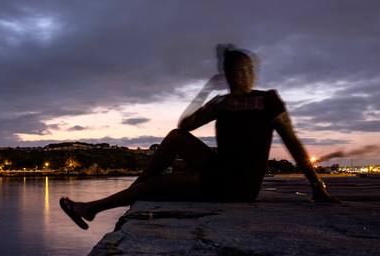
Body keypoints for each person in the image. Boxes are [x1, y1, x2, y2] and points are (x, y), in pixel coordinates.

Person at [59, 46, 338, 230]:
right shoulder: (221, 103)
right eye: (237, 71)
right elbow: (185, 126)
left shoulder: (267, 101)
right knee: (175, 137)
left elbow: (293, 142)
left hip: (238, 183)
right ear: (228, 75)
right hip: (219, 167)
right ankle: (134, 191)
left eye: (249, 70)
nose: (245, 76)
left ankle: (91, 208)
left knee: (156, 184)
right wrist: (207, 92)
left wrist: (317, 184)